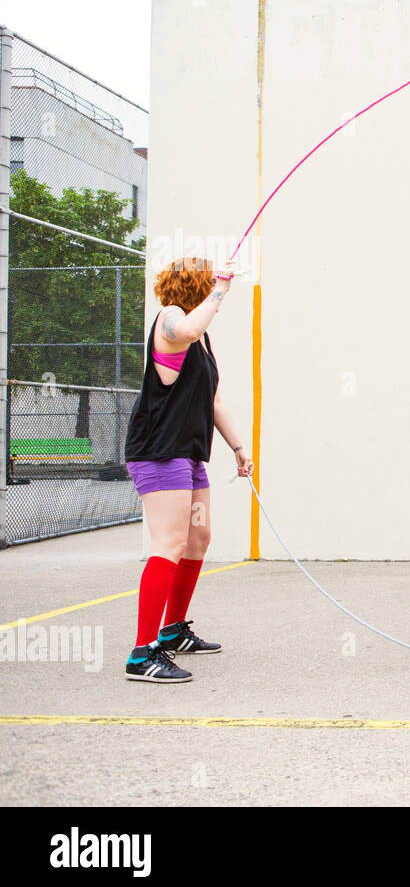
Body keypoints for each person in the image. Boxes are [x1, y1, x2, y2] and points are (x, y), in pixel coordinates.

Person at [123, 257, 254, 682]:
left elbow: (213, 400)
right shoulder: (171, 319)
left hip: (188, 452)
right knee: (169, 542)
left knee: (197, 538)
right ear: (198, 287)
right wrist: (221, 289)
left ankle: (173, 630)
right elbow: (187, 328)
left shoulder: (201, 342)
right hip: (159, 451)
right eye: (209, 284)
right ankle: (142, 655)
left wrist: (238, 446)